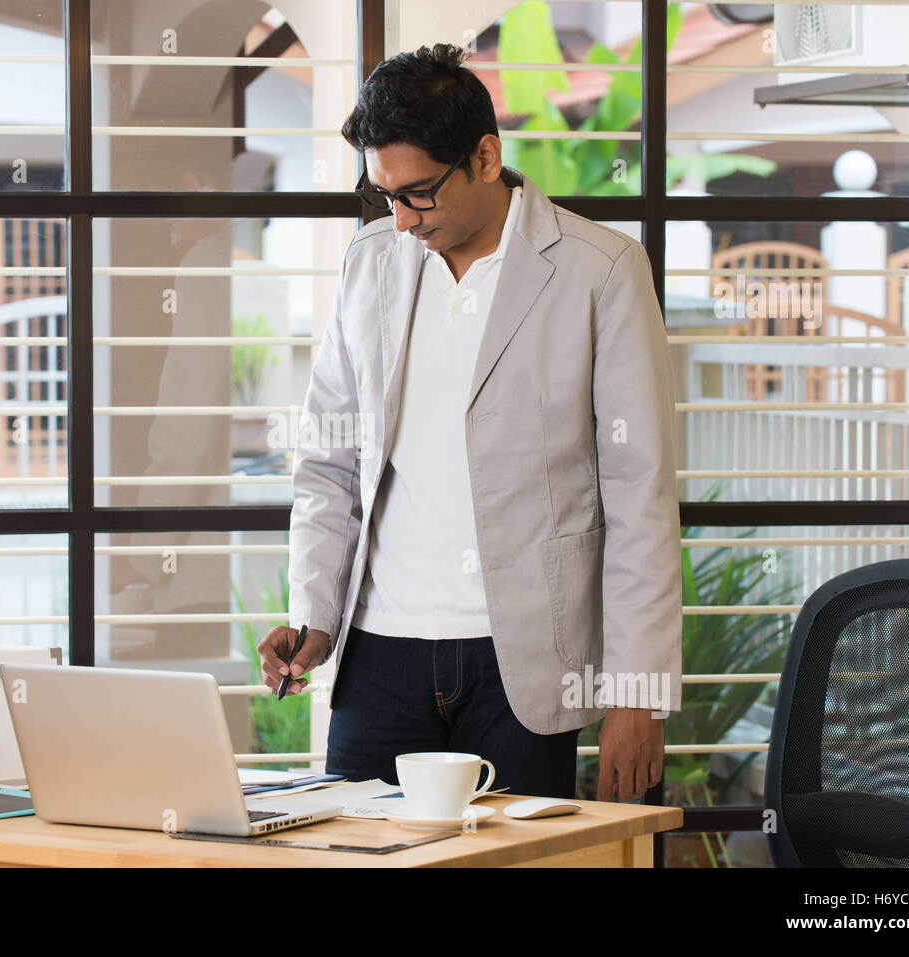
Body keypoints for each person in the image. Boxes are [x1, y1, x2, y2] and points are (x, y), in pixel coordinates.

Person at [259, 43, 681, 802]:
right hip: (379, 655)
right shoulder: (370, 263)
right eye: (381, 193)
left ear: (486, 157)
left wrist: (637, 691)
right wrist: (313, 615)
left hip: (523, 662)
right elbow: (328, 463)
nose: (399, 218)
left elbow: (639, 495)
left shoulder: (602, 271)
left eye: (417, 193)